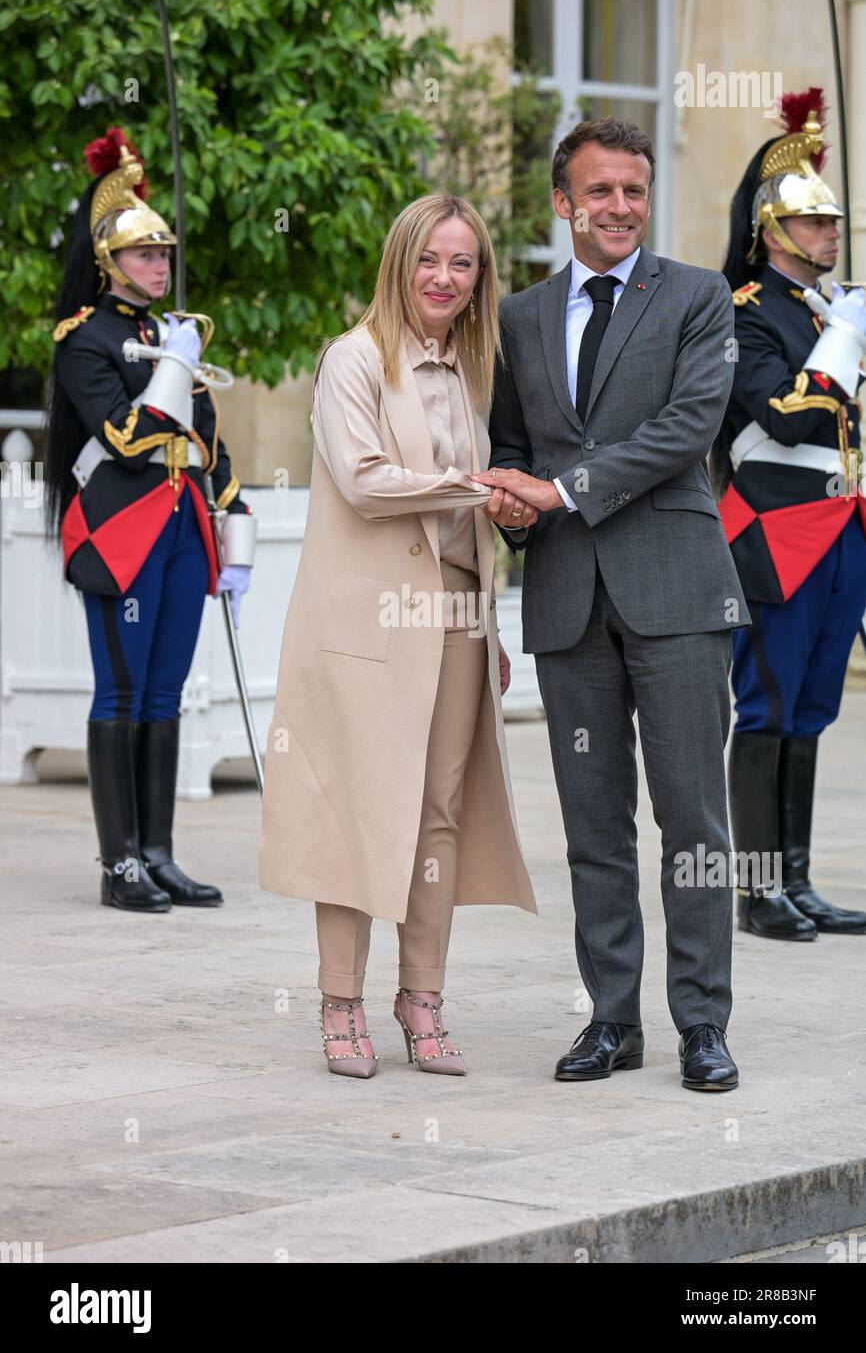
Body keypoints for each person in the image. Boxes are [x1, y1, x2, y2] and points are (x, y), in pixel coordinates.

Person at [473, 117, 748, 1092]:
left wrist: (561, 490)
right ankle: (610, 1020)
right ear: (563, 203)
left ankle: (701, 1023)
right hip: (566, 603)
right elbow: (510, 442)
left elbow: (685, 429)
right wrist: (512, 502)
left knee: (692, 821)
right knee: (592, 826)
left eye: (632, 190)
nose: (618, 207)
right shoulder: (518, 316)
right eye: (599, 192)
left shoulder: (698, 296)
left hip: (674, 594)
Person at [259, 194, 537, 1078]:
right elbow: (367, 480)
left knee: (439, 816)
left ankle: (422, 1001)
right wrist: (479, 484)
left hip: (457, 616)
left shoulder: (475, 369)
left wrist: (488, 624)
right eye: (430, 260)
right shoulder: (353, 358)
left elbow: (468, 530)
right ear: (399, 262)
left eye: (463, 264)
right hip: (367, 623)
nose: (445, 279)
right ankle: (339, 1008)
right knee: (351, 806)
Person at [44, 127, 256, 913]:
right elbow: (126, 438)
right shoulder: (85, 339)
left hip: (180, 533)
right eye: (145, 255)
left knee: (165, 691)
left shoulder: (171, 333)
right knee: (123, 690)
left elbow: (209, 440)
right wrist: (174, 369)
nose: (160, 266)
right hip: (117, 531)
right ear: (109, 262)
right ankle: (118, 864)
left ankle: (159, 853)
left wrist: (233, 511)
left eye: (165, 254)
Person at [711, 89, 866, 940]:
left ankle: (798, 883)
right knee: (766, 706)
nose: (830, 232)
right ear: (772, 231)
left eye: (835, 221)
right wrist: (845, 343)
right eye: (813, 223)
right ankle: (756, 890)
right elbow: (784, 414)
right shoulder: (747, 314)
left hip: (844, 527)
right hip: (775, 531)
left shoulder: (829, 309)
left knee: (813, 708)